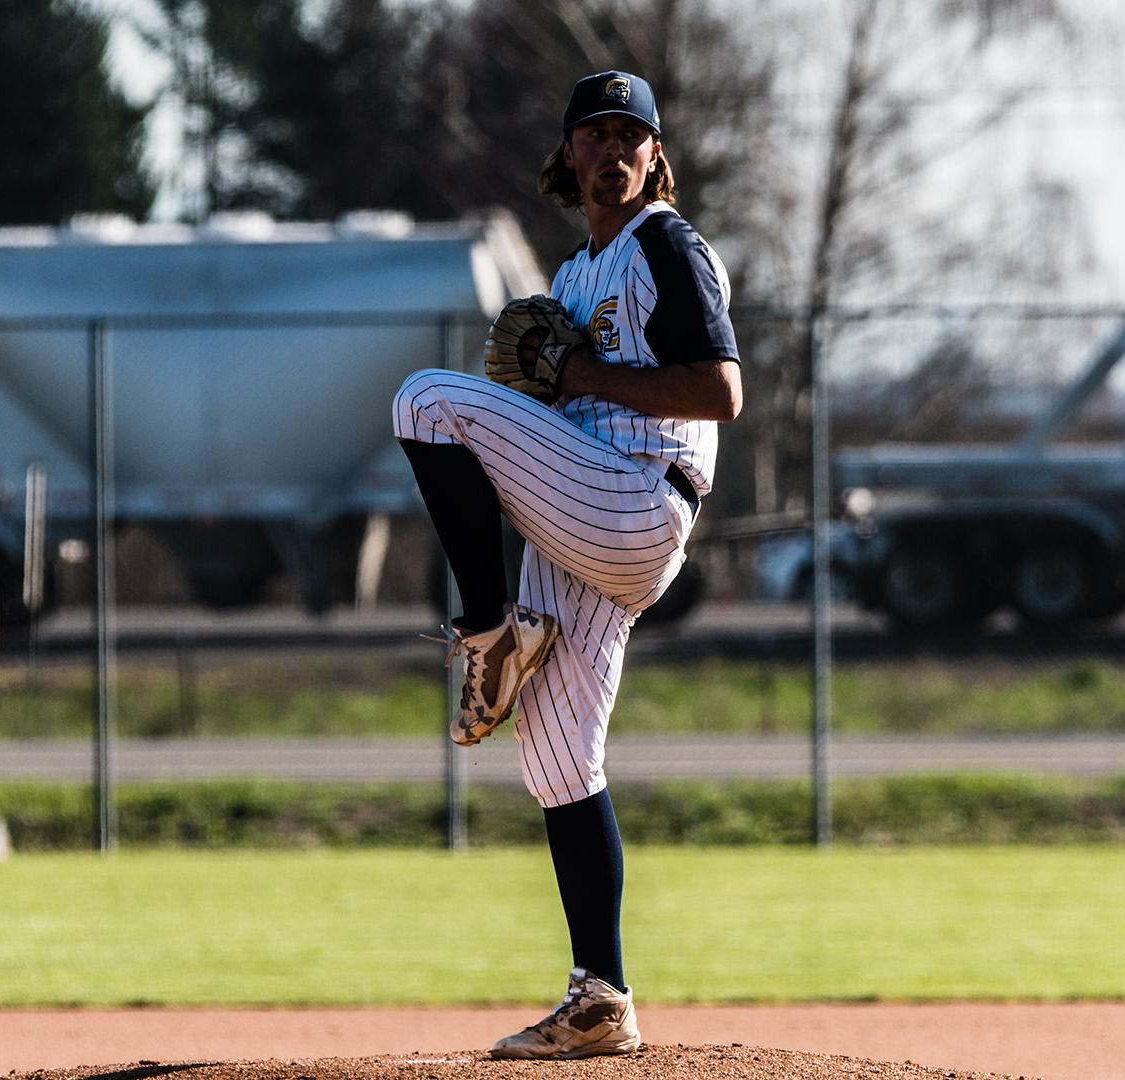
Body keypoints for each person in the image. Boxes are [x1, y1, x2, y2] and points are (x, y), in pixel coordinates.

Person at [390, 70, 741, 1060]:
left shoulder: (664, 243)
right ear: (571, 153)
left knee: (423, 399)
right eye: (598, 132)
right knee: (555, 759)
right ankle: (602, 998)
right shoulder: (577, 271)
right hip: (584, 513)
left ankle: (488, 626)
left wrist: (580, 376)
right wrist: (548, 404)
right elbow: (549, 415)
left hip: (635, 499)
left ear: (656, 156)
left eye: (634, 133)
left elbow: (721, 392)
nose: (616, 147)